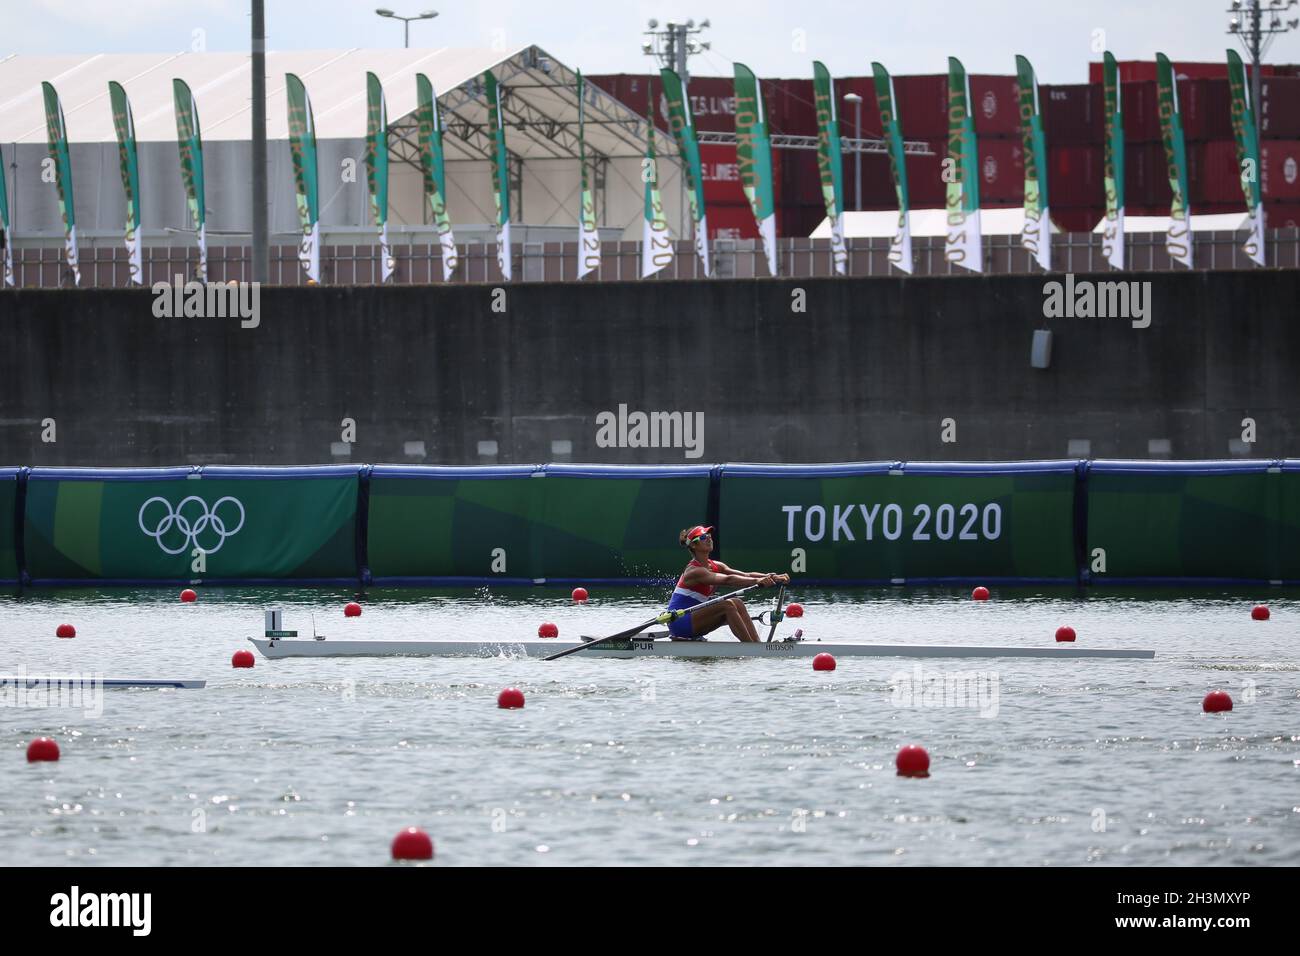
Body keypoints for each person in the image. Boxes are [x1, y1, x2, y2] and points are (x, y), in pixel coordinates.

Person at [665, 525, 790, 642]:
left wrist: (772, 577)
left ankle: (757, 645)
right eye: (703, 537)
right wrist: (757, 581)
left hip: (694, 618)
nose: (709, 538)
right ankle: (751, 648)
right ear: (693, 545)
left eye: (709, 536)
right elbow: (728, 579)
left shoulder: (715, 565)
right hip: (680, 622)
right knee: (727, 605)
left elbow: (746, 575)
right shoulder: (694, 571)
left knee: (737, 602)